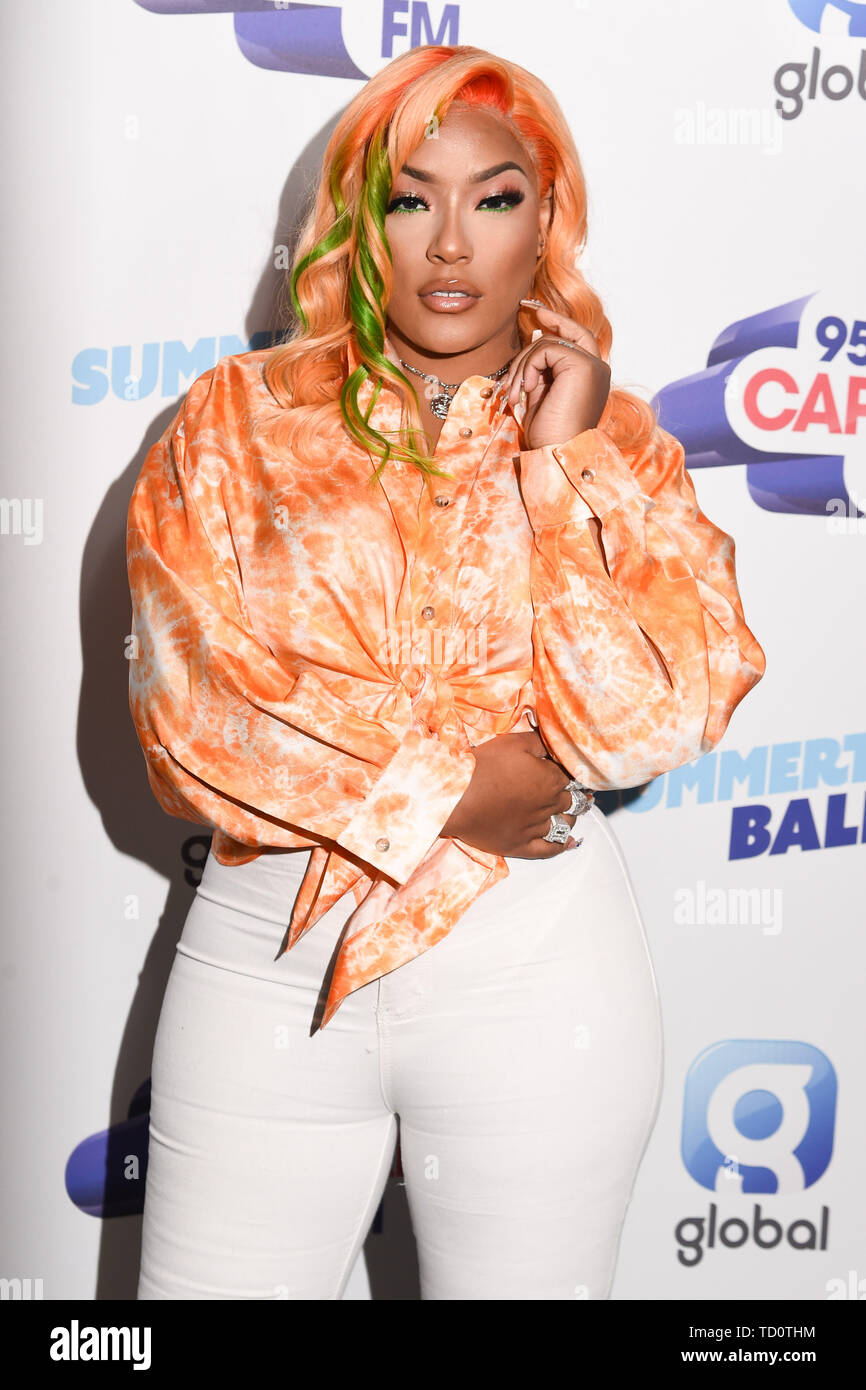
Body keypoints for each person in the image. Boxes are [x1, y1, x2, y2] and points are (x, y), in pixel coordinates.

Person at [127, 44, 766, 1301]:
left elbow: (643, 724)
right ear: (356, 223)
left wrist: (560, 464)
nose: (451, 245)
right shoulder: (234, 421)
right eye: (409, 200)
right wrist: (454, 789)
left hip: (535, 966)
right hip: (264, 962)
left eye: (496, 197)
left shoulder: (618, 442)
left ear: (547, 218)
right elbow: (192, 716)